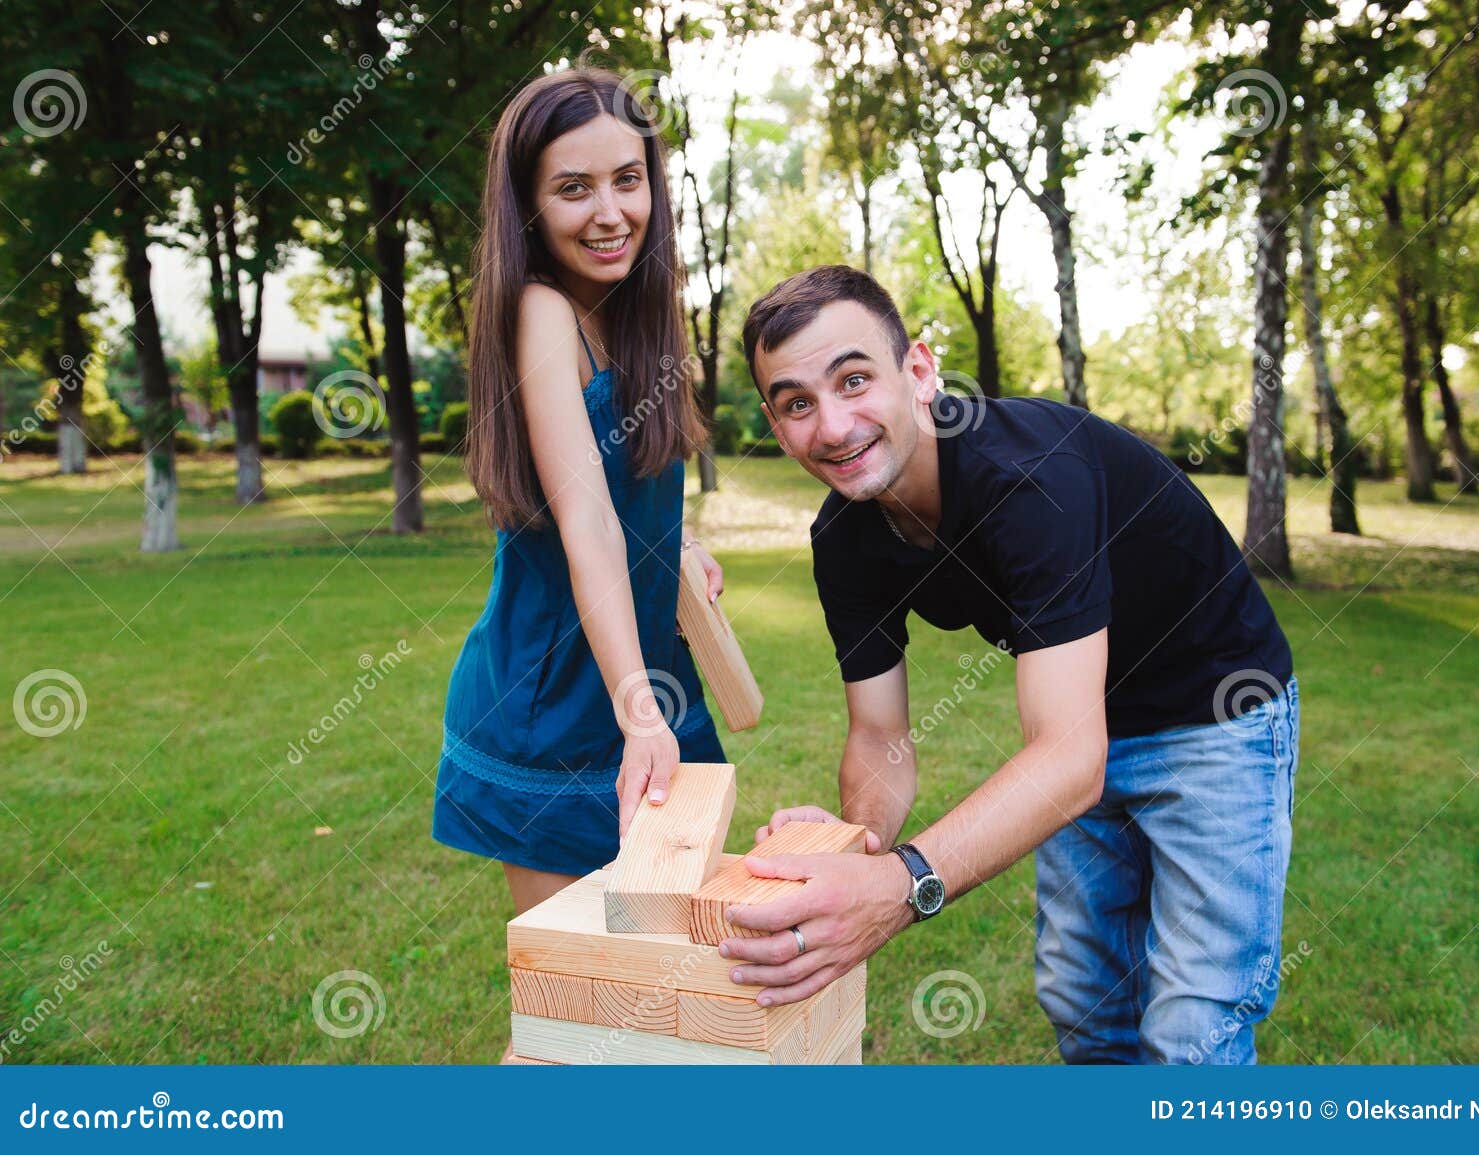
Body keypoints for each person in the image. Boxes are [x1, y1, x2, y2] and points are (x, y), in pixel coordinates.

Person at [717, 264, 1298, 1065]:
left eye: (854, 380)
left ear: (918, 371)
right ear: (778, 429)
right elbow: (880, 736)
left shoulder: (1028, 477)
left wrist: (901, 885)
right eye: (796, 403)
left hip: (1214, 711)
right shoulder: (844, 539)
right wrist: (856, 842)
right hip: (1081, 720)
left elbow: (1068, 759)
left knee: (1194, 1029)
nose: (834, 425)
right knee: (1083, 1000)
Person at [432, 68, 725, 938]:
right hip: (555, 705)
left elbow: (617, 487)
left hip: (645, 689)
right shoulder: (541, 312)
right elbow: (584, 519)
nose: (610, 213)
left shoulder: (630, 312)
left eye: (627, 180)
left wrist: (676, 541)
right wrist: (640, 714)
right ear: (527, 206)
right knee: (578, 1018)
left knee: (667, 995)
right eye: (573, 188)